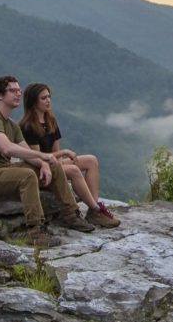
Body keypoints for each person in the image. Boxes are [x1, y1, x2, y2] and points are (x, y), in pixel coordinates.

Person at [0, 75, 94, 242]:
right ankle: (35, 230)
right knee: (27, 176)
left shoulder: (11, 124)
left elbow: (26, 151)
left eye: (19, 90)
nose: (18, 94)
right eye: (12, 90)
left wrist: (44, 163)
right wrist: (42, 155)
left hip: (2, 170)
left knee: (54, 166)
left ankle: (71, 215)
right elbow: (7, 147)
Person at [20, 82, 120, 228]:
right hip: (40, 168)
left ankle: (94, 211)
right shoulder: (28, 126)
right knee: (74, 170)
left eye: (49, 97)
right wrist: (64, 152)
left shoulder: (50, 120)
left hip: (53, 163)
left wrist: (60, 159)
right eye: (43, 98)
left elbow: (56, 153)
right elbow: (38, 156)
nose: (48, 100)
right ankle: (95, 209)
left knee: (91, 160)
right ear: (33, 101)